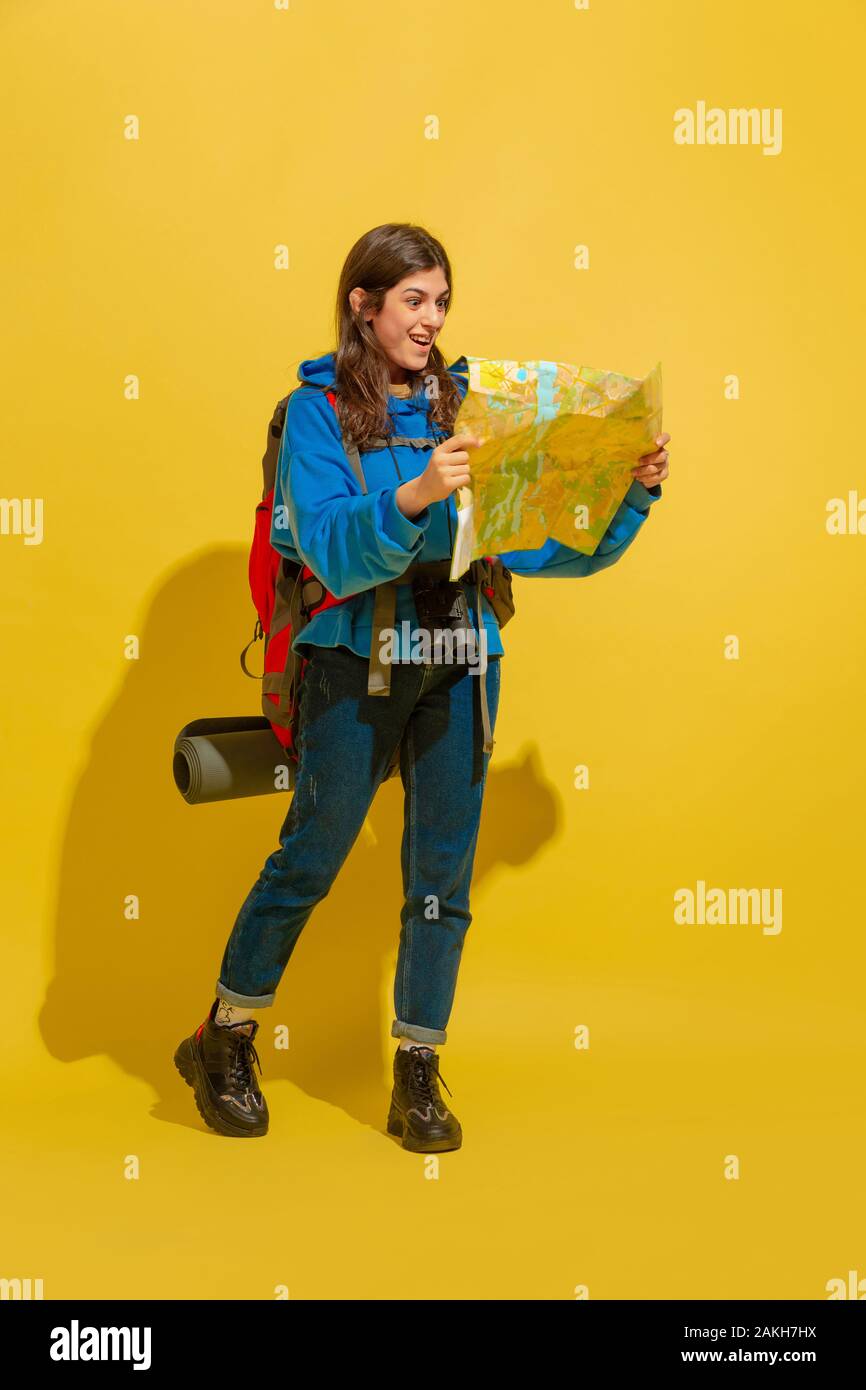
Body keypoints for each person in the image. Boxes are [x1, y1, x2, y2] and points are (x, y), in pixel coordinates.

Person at [174, 222, 669, 1151]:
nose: (430, 320)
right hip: (351, 666)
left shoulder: (466, 409)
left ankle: (417, 1071)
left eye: (440, 302)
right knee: (309, 862)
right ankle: (223, 1039)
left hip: (459, 664)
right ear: (363, 305)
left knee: (440, 881)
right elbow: (322, 541)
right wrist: (414, 496)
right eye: (413, 300)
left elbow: (544, 542)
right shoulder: (313, 414)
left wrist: (630, 492)